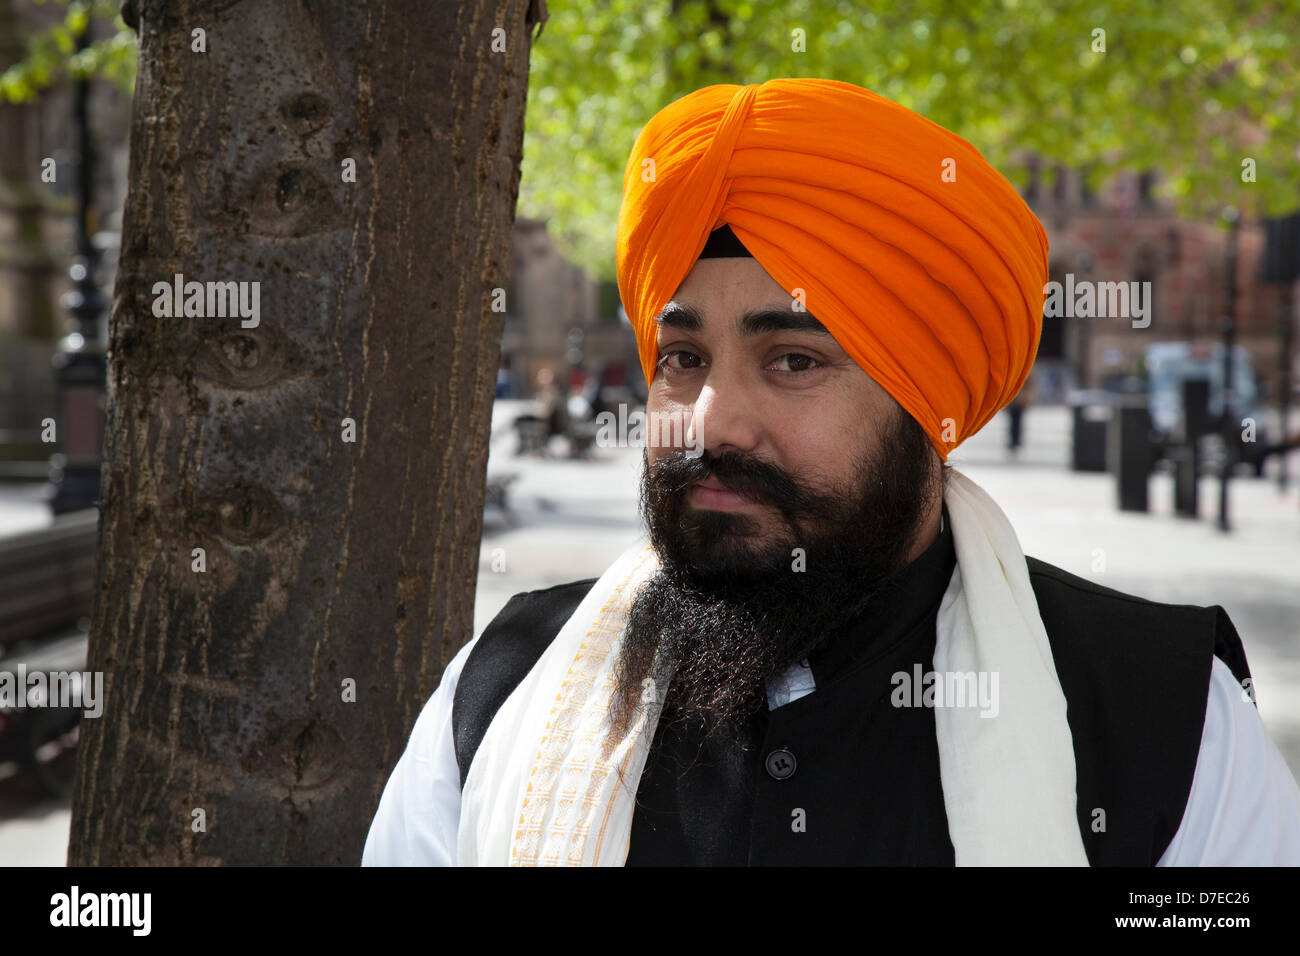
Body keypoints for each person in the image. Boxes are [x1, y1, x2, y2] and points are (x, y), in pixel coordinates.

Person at [363, 78, 1300, 866]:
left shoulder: (1167, 719)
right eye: (683, 358)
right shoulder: (500, 695)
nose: (712, 421)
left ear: (924, 403)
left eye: (793, 362)